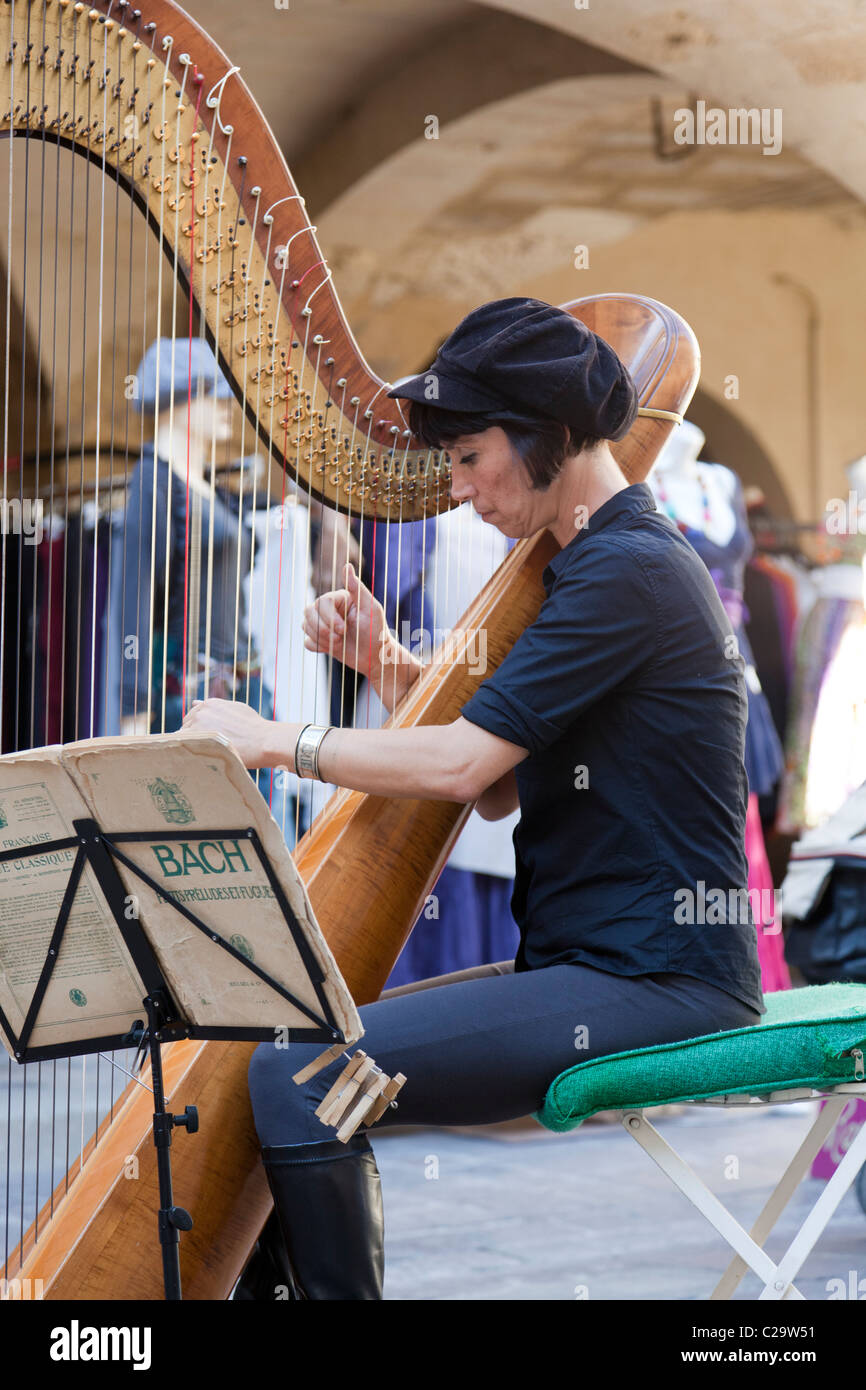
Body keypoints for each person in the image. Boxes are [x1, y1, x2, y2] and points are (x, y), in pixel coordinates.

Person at [182, 296, 765, 1300]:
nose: (457, 489)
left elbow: (456, 771)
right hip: (597, 966)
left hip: (658, 984)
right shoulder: (596, 561)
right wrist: (383, 661)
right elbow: (495, 786)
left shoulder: (623, 570)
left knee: (299, 1077)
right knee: (284, 1046)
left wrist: (278, 741)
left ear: (549, 434)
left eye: (468, 456)